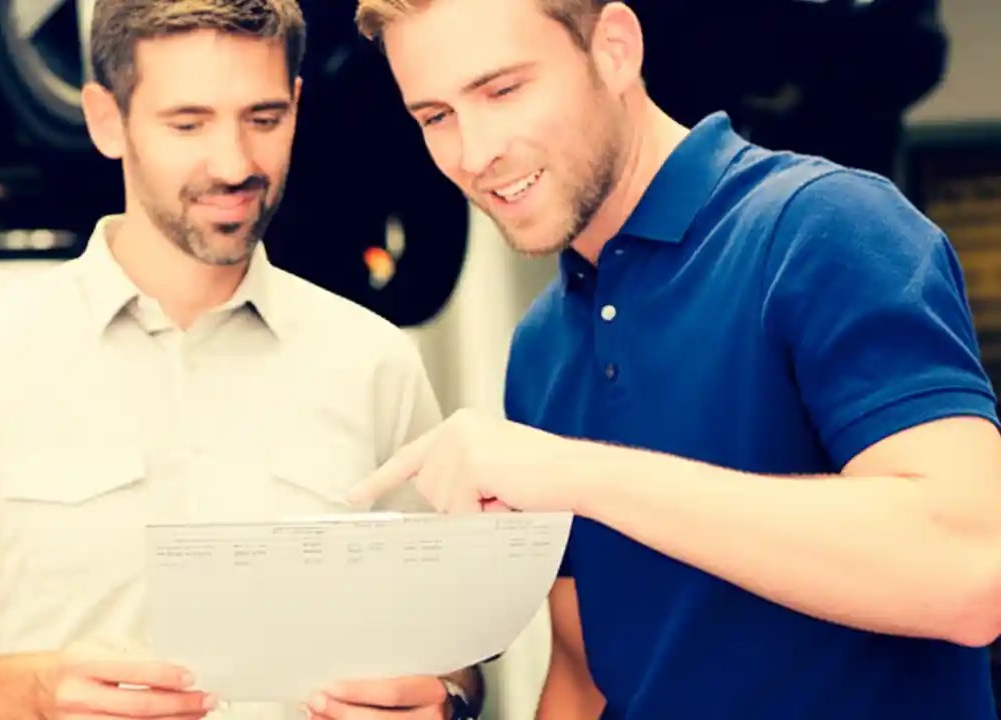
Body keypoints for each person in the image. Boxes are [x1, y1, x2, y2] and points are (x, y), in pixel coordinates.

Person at [347, 0, 1001, 718]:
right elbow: (584, 674)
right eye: (436, 116)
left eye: (503, 90)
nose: (474, 154)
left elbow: (972, 573)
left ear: (614, 49)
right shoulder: (541, 344)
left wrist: (574, 472)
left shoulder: (826, 225)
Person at [0, 1, 485, 719]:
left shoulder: (375, 363)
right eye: (188, 124)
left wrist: (444, 701)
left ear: (297, 105)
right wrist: (34, 692)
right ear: (107, 120)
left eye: (264, 118)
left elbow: (453, 659)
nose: (235, 164)